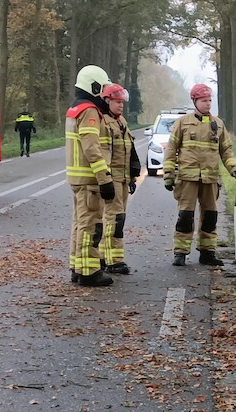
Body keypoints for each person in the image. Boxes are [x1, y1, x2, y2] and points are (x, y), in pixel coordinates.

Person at [162, 83, 236, 267]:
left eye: (210, 100)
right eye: (204, 100)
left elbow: (226, 150)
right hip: (188, 180)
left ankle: (207, 252)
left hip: (210, 179)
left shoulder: (218, 124)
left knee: (210, 217)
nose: (208, 104)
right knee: (185, 216)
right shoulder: (182, 123)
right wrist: (168, 174)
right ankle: (180, 253)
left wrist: (233, 169)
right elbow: (171, 149)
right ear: (195, 101)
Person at [65, 65, 114, 287]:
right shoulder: (90, 111)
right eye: (103, 88)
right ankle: (89, 271)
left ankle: (78, 266)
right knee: (91, 225)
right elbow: (92, 148)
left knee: (79, 223)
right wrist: (105, 178)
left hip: (78, 178)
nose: (105, 93)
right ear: (93, 86)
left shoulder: (76, 109)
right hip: (89, 179)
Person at [100, 83, 140, 275]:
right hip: (112, 178)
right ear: (107, 101)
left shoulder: (121, 121)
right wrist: (106, 179)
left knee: (118, 218)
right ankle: (113, 260)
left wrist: (132, 176)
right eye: (117, 102)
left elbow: (129, 151)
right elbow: (104, 153)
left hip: (123, 179)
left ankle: (105, 256)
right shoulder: (104, 123)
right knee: (114, 219)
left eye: (122, 102)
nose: (120, 105)